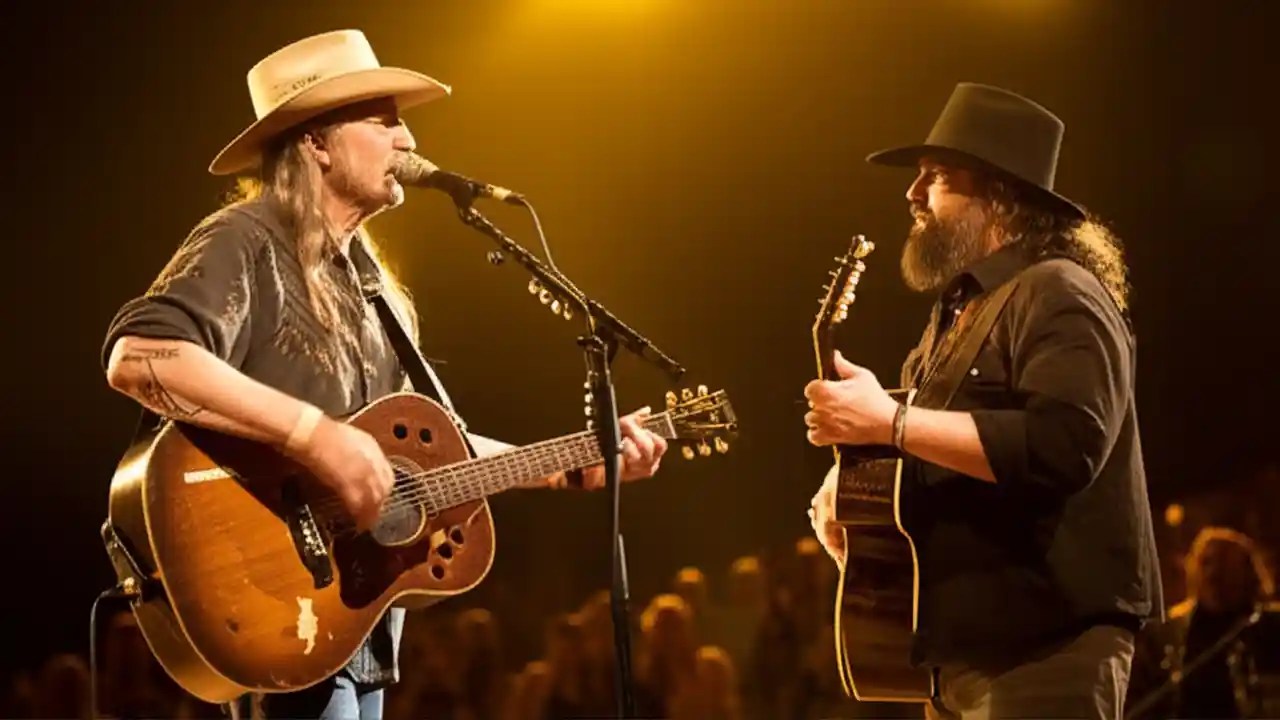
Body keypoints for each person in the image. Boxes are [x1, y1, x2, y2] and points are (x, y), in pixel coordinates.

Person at [100, 29, 668, 719]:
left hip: (356, 621)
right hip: (274, 601)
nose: (406, 140)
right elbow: (137, 356)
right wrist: (316, 436)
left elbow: (431, 450)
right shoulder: (246, 240)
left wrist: (574, 462)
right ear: (316, 142)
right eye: (383, 120)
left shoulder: (375, 289)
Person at [803, 82, 1164, 719]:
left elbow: (1063, 448)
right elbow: (924, 450)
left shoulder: (1060, 290)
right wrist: (855, 503)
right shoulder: (959, 311)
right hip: (959, 655)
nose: (913, 195)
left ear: (998, 195)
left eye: (936, 177)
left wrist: (890, 421)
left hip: (1045, 645)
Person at [1126, 526, 1280, 719]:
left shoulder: (1269, 627)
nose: (1214, 573)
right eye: (1206, 562)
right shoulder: (1167, 632)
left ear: (1247, 572)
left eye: (1226, 563)